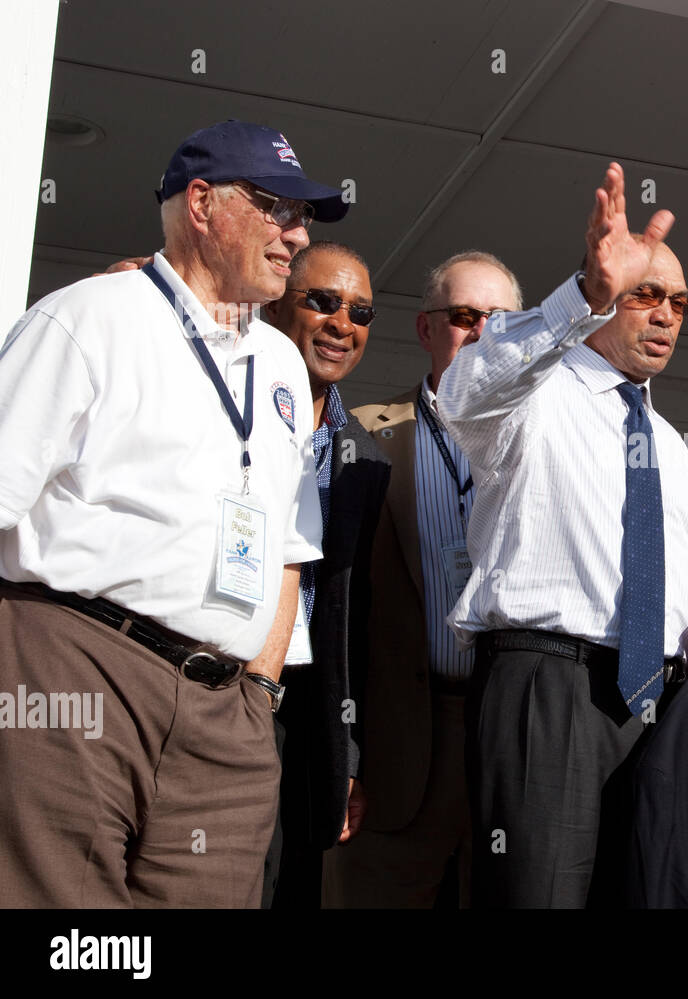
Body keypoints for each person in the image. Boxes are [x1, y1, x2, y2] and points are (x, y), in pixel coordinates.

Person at [0, 119, 346, 906]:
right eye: (278, 209)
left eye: (306, 218)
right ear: (201, 204)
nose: (297, 236)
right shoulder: (89, 317)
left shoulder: (282, 362)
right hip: (78, 673)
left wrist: (259, 694)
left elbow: (290, 544)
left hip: (227, 709)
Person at [439, 162, 688, 908]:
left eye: (679, 301)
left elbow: (668, 578)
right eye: (645, 295)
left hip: (658, 704)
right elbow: (464, 390)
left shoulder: (674, 447)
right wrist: (581, 294)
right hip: (547, 690)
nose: (666, 314)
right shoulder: (533, 396)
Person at [322, 250, 522, 908]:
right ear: (426, 329)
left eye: (502, 319)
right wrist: (343, 755)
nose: (483, 333)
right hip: (393, 751)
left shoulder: (550, 444)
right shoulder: (366, 437)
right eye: (466, 316)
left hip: (510, 751)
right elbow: (337, 615)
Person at [258, 241, 390, 907]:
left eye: (361, 311)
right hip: (223, 679)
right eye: (323, 301)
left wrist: (350, 759)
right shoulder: (228, 407)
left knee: (292, 884)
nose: (343, 323)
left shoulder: (365, 460)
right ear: (278, 301)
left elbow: (360, 623)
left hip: (310, 707)